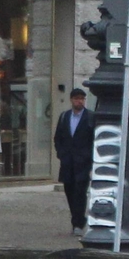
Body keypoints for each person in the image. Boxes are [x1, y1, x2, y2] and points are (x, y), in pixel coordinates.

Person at [52, 88, 93, 231]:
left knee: (80, 192)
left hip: (83, 162)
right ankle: (77, 218)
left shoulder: (90, 117)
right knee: (69, 190)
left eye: (82, 98)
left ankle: (78, 222)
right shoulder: (64, 116)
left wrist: (89, 156)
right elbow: (58, 138)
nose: (79, 101)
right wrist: (61, 153)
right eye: (76, 98)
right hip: (67, 161)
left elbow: (94, 139)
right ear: (71, 100)